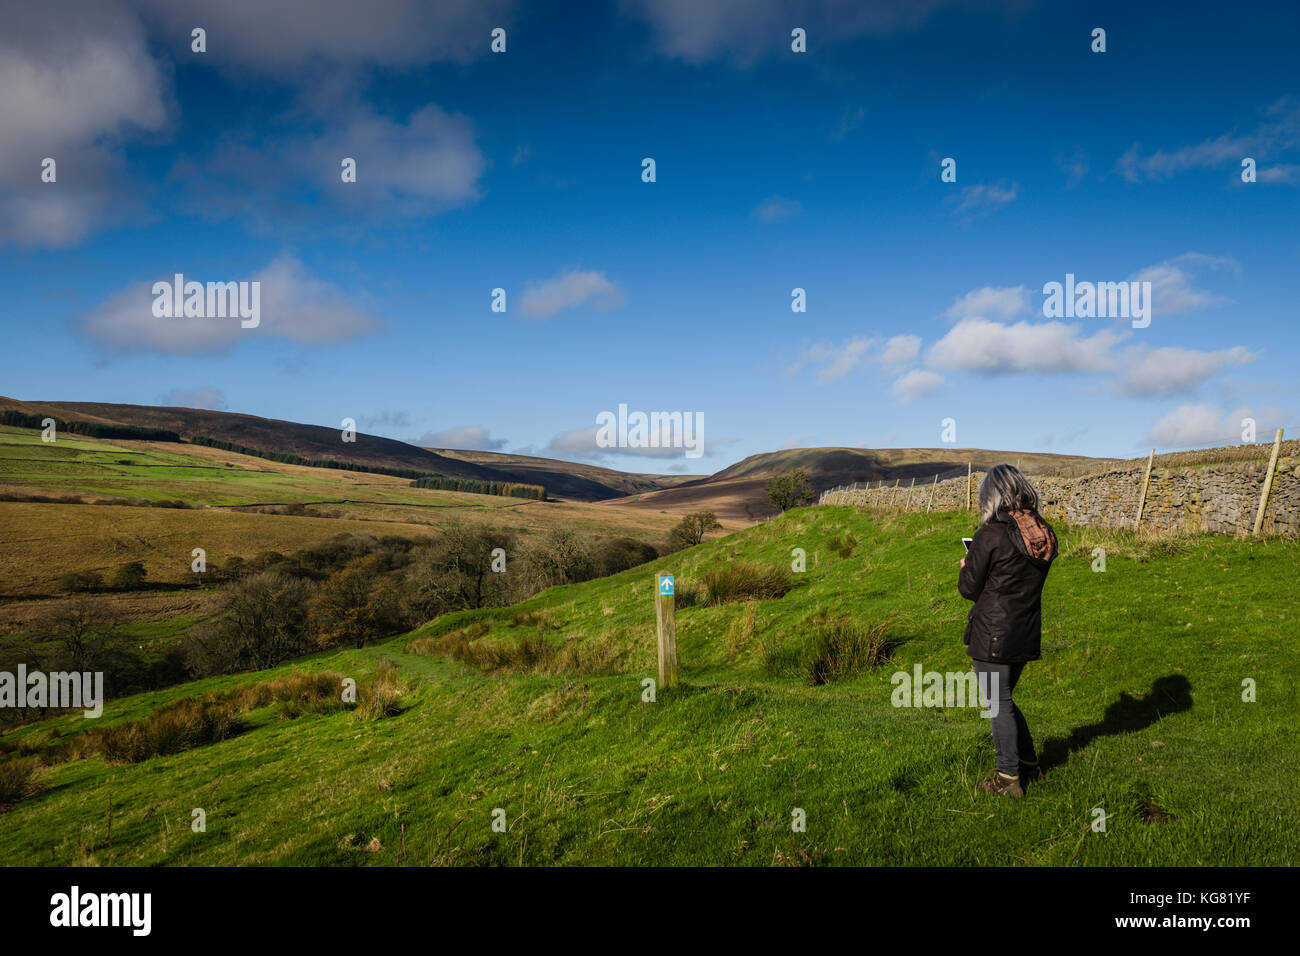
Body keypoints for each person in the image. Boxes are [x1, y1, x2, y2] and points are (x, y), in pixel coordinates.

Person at [958, 464, 1058, 797]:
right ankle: (1028, 764)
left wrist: (968, 564)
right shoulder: (1043, 533)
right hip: (1025, 631)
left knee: (997, 704)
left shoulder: (990, 535)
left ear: (992, 496)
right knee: (1004, 700)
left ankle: (1007, 779)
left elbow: (970, 589)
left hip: (993, 634)